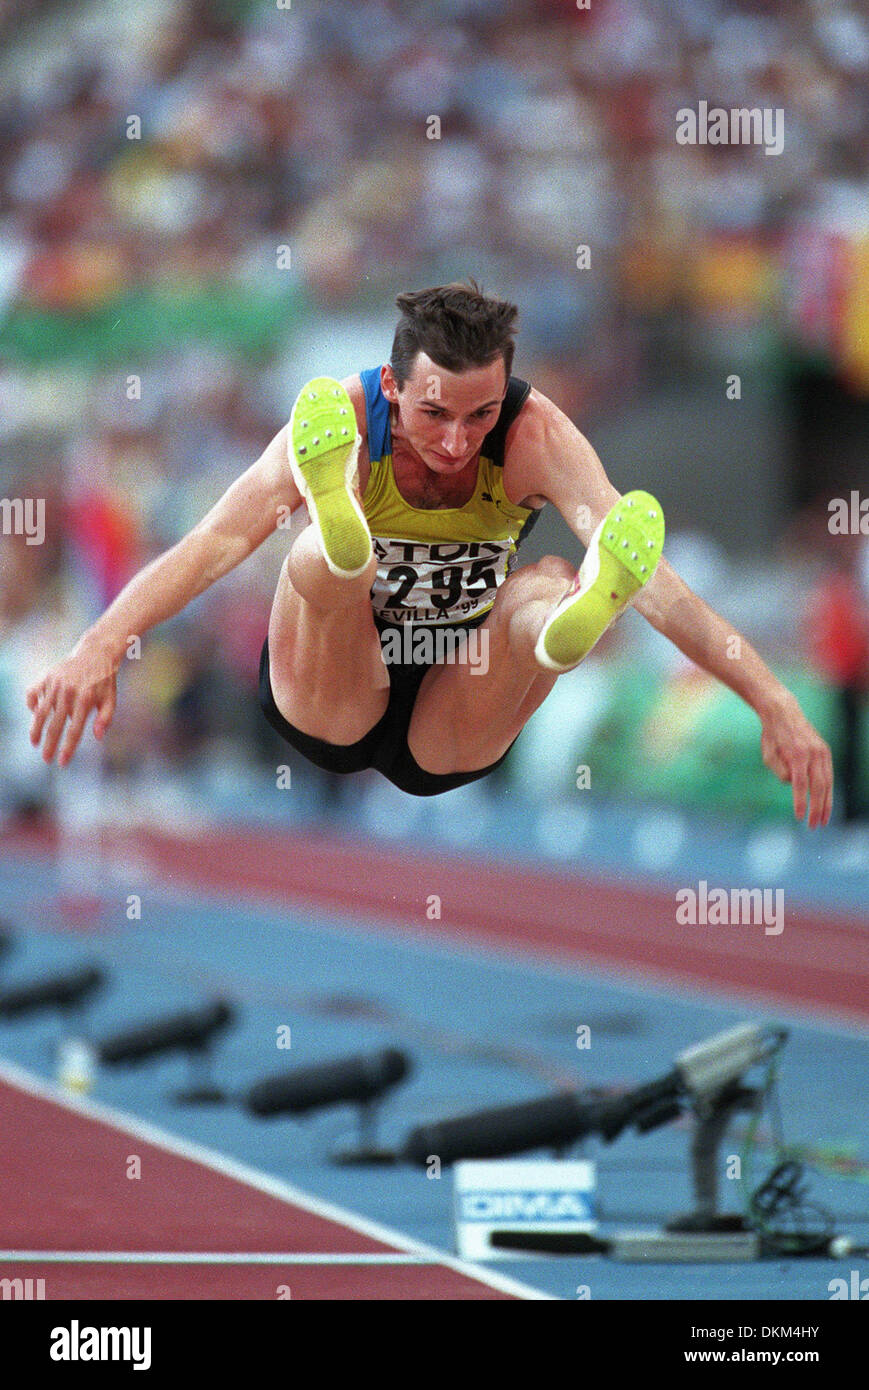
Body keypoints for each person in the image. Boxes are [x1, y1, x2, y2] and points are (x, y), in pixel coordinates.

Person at [28, 282, 832, 824]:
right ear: (389, 386)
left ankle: (560, 630)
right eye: (434, 413)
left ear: (508, 390)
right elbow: (211, 545)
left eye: (481, 415)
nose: (456, 441)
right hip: (331, 690)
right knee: (320, 555)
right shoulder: (339, 415)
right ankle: (343, 537)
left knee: (549, 582)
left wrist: (772, 701)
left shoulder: (538, 435)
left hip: (456, 704)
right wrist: (101, 645)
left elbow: (657, 589)